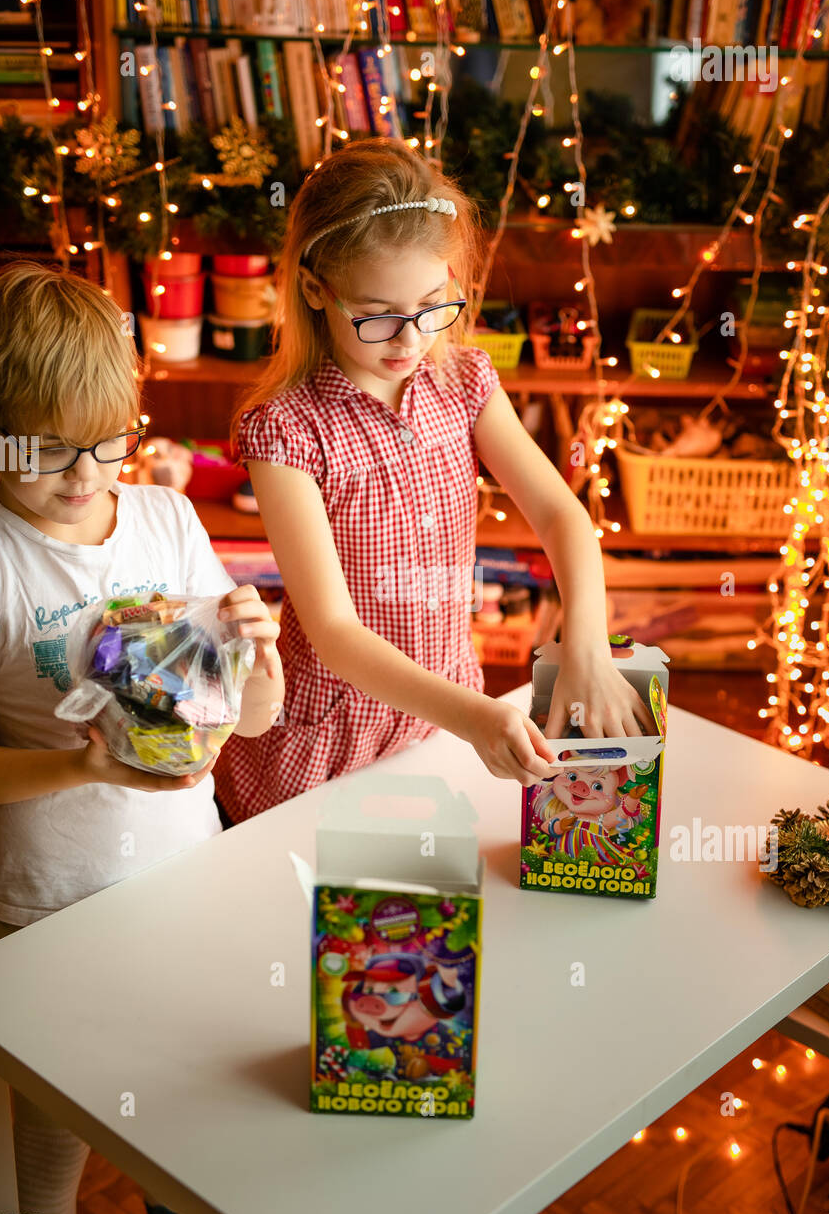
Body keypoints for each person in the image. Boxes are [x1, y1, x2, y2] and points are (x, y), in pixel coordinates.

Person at [214, 137, 653, 826]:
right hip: (335, 738)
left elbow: (563, 517)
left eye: (433, 304)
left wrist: (587, 649)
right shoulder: (286, 429)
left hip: (445, 721)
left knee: (435, 916)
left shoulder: (466, 381)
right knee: (317, 918)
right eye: (379, 314)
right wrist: (477, 719)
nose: (410, 338)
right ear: (314, 288)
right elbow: (333, 631)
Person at [0, 261, 284, 1214]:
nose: (85, 475)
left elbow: (244, 719)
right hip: (44, 908)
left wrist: (260, 654)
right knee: (45, 1171)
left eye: (108, 440)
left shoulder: (165, 517)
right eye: (46, 449)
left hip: (181, 887)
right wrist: (81, 765)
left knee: (185, 1144)